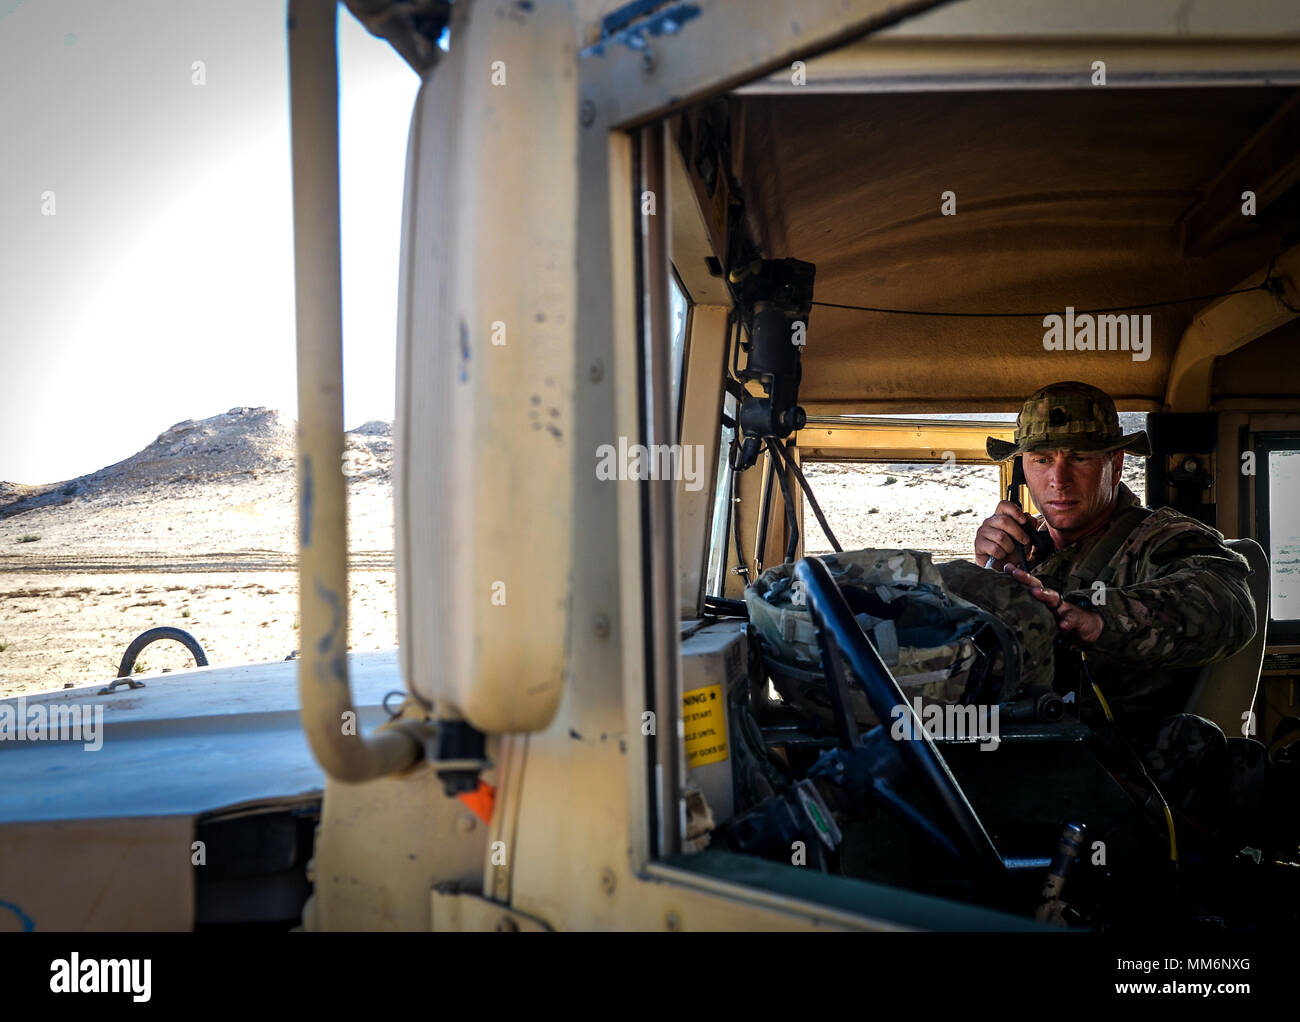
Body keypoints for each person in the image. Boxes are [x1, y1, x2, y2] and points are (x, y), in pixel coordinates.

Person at [972, 381, 1256, 749]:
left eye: (1079, 458)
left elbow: (1228, 604)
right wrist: (992, 576)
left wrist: (1094, 618)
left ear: (1116, 465)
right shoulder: (1029, 548)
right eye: (1042, 460)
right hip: (1029, 745)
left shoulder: (1162, 538)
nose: (1058, 480)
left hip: (1117, 770)